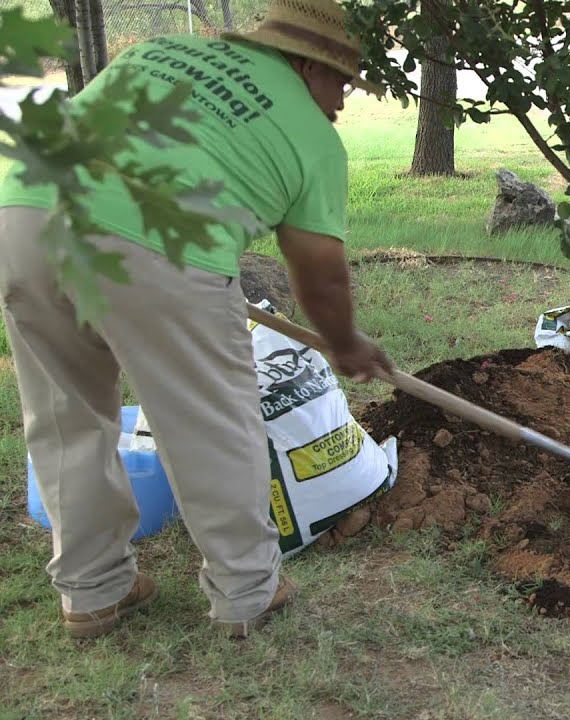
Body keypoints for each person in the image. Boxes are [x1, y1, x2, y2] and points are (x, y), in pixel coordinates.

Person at [0, 0, 393, 639]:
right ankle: (247, 593)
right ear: (305, 63)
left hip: (25, 211)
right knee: (212, 418)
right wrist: (345, 343)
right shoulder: (315, 140)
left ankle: (94, 591)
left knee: (66, 414)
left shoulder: (155, 53)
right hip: (158, 241)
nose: (343, 101)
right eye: (341, 81)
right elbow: (320, 274)